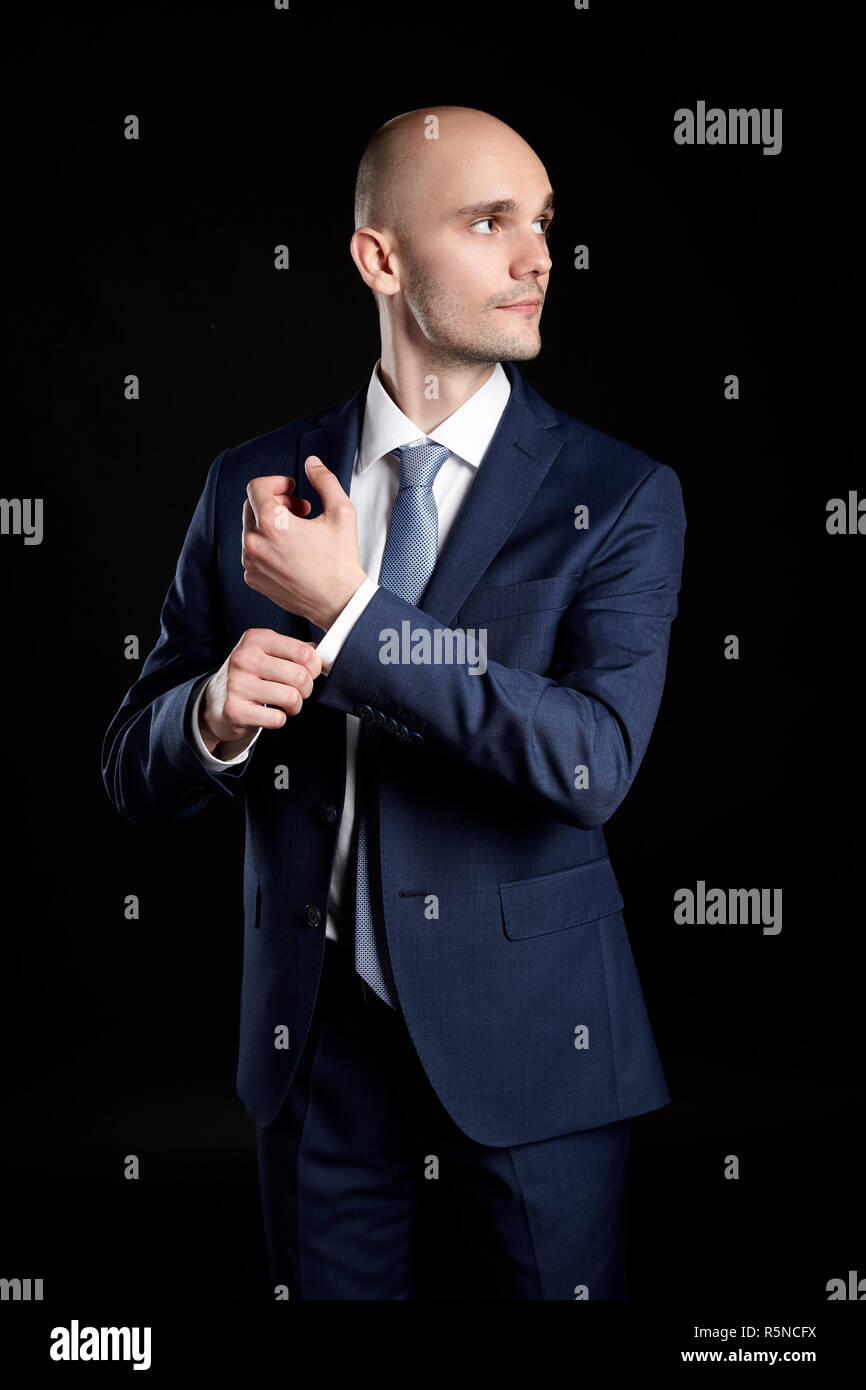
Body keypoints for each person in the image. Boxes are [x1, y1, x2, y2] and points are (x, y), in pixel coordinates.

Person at [102, 105, 686, 1300]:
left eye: (543, 224)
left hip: (536, 1051)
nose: (538, 258)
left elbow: (592, 760)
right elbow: (128, 761)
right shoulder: (247, 485)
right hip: (315, 1053)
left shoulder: (619, 496)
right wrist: (209, 715)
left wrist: (356, 616)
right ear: (380, 258)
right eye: (489, 223)